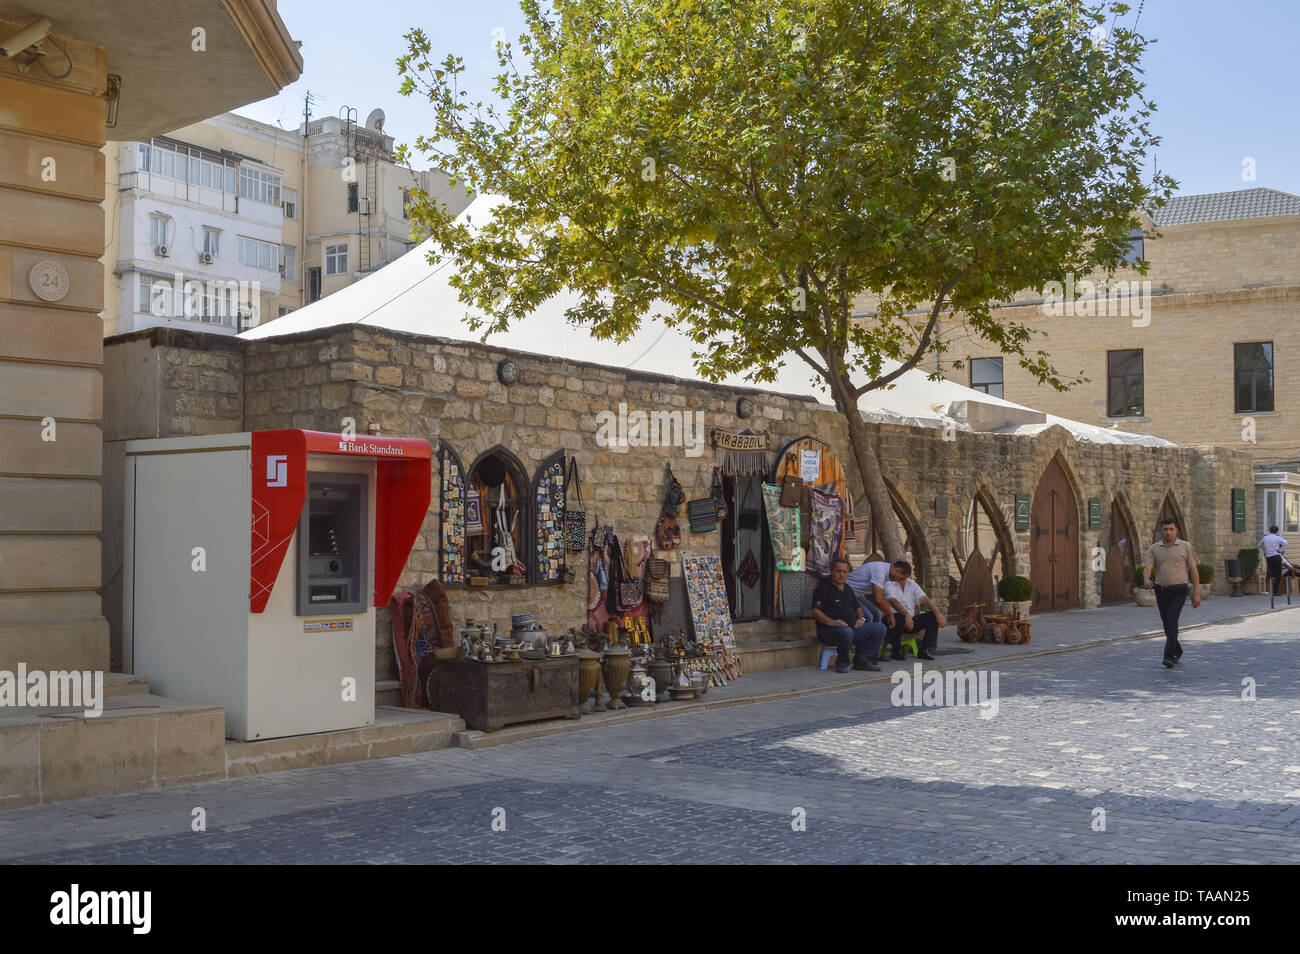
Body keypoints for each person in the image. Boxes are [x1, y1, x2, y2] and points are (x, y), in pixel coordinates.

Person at [811, 557, 886, 673]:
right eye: (838, 571)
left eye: (844, 572)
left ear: (848, 573)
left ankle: (862, 661)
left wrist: (861, 618)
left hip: (851, 629)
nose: (841, 575)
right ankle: (842, 664)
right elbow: (815, 612)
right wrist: (832, 622)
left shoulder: (848, 589)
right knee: (846, 631)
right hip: (830, 631)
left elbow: (858, 607)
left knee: (880, 628)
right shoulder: (822, 589)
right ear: (832, 571)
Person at [1143, 517, 1200, 668]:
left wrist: (1196, 593)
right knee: (1167, 623)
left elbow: (1194, 570)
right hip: (1161, 590)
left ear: (1176, 531)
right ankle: (1178, 649)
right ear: (1160, 531)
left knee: (1172, 619)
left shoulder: (1186, 546)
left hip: (1179, 589)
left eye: (1171, 529)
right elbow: (1148, 566)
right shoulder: (1154, 548)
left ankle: (1169, 656)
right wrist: (1147, 579)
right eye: (1165, 529)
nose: (1168, 532)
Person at [881, 561, 946, 661]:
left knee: (932, 615)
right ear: (897, 573)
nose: (903, 580)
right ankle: (896, 651)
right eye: (902, 578)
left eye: (905, 578)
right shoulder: (889, 584)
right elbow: (893, 601)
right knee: (899, 617)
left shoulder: (911, 583)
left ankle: (924, 650)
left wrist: (938, 614)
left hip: (910, 621)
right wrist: (906, 616)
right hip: (892, 622)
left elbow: (925, 599)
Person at [846, 559, 907, 630]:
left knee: (877, 614)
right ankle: (862, 638)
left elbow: (883, 597)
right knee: (868, 617)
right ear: (897, 571)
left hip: (858, 595)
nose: (900, 581)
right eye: (901, 578)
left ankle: (875, 637)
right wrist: (890, 615)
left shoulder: (886, 573)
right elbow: (878, 599)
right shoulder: (880, 571)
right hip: (848, 592)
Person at [1259, 525, 1288, 596]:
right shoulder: (1278, 538)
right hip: (1277, 557)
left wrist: (1264, 551)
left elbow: (1259, 545)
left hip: (1269, 558)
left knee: (1269, 574)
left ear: (1270, 531)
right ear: (1277, 531)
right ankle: (1275, 591)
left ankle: (1268, 590)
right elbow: (1285, 543)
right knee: (1277, 574)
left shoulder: (1265, 538)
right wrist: (1281, 550)